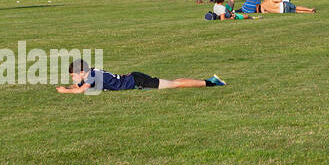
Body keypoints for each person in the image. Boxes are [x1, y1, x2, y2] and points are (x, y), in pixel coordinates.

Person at [58, 59, 225, 93]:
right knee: (174, 82)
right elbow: (79, 87)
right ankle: (209, 82)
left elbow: (80, 90)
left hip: (137, 81)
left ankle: (211, 83)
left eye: (73, 76)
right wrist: (67, 87)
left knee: (175, 84)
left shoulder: (91, 76)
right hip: (134, 77)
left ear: (82, 72)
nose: (73, 79)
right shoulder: (90, 74)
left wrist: (65, 91)